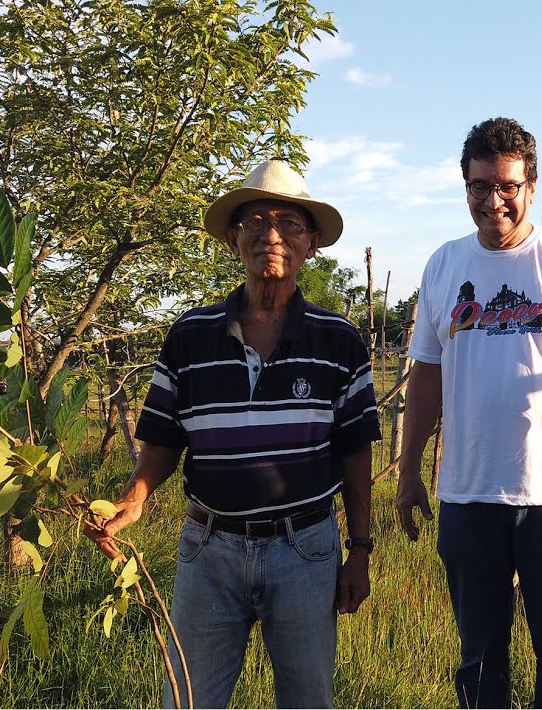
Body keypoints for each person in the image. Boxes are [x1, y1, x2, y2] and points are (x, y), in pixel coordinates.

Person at [83, 160, 380, 709]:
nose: (272, 236)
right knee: (189, 700)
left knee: (308, 700)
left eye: (290, 223)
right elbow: (165, 438)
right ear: (232, 237)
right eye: (256, 221)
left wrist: (359, 550)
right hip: (208, 549)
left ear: (311, 243)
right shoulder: (190, 335)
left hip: (306, 549)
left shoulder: (338, 340)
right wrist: (133, 499)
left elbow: (355, 451)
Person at [395, 117, 542, 709]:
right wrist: (406, 470)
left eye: (507, 186)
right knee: (478, 657)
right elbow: (426, 377)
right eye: (480, 187)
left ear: (531, 186)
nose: (493, 201)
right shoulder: (445, 266)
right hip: (468, 495)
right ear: (465, 187)